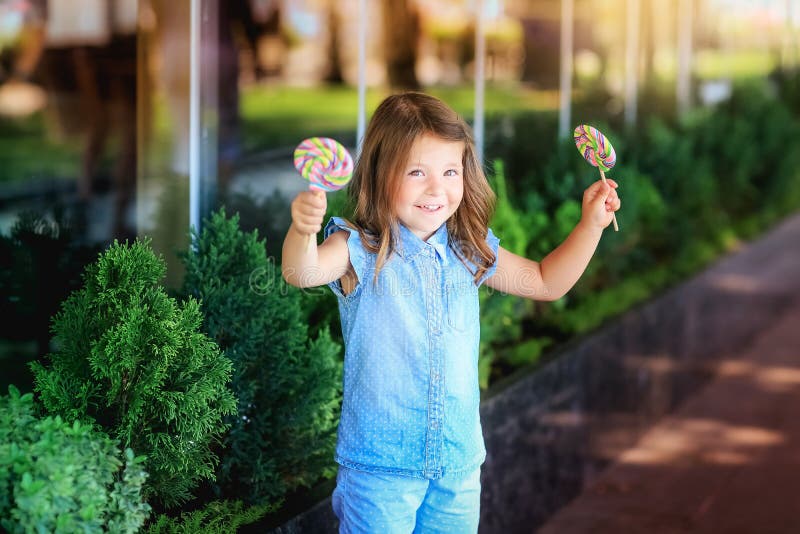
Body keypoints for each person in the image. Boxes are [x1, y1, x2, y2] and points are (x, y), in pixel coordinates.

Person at [281, 92, 620, 533]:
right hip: (381, 469)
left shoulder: (468, 249)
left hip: (457, 465)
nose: (436, 189)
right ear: (381, 175)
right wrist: (302, 231)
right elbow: (301, 272)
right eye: (416, 172)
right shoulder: (358, 248)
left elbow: (544, 282)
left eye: (450, 171)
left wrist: (590, 225)